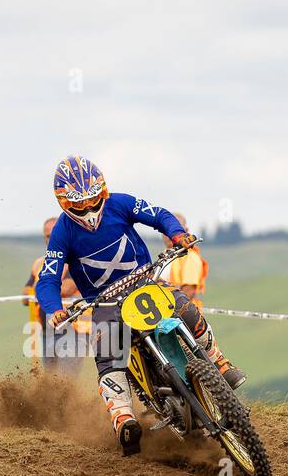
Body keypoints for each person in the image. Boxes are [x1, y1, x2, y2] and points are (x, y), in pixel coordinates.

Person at [37, 155, 245, 457]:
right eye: (79, 204)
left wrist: (176, 233)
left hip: (145, 283)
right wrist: (54, 308)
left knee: (185, 307)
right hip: (105, 302)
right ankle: (124, 418)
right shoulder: (63, 233)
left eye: (94, 199)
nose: (89, 208)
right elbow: (48, 278)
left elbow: (158, 214)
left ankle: (219, 362)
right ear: (64, 203)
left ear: (102, 191)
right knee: (109, 354)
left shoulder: (120, 203)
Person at [23, 217, 89, 374]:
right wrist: (44, 291)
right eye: (47, 236)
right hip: (48, 329)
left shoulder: (76, 260)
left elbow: (67, 288)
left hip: (73, 328)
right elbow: (25, 294)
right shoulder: (40, 263)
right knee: (51, 382)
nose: (50, 239)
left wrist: (41, 291)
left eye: (53, 234)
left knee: (66, 379)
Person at [164, 212, 208, 310]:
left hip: (182, 317)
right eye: (166, 229)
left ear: (186, 230)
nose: (170, 233)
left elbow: (189, 291)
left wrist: (172, 313)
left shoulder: (190, 256)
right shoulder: (165, 256)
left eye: (176, 229)